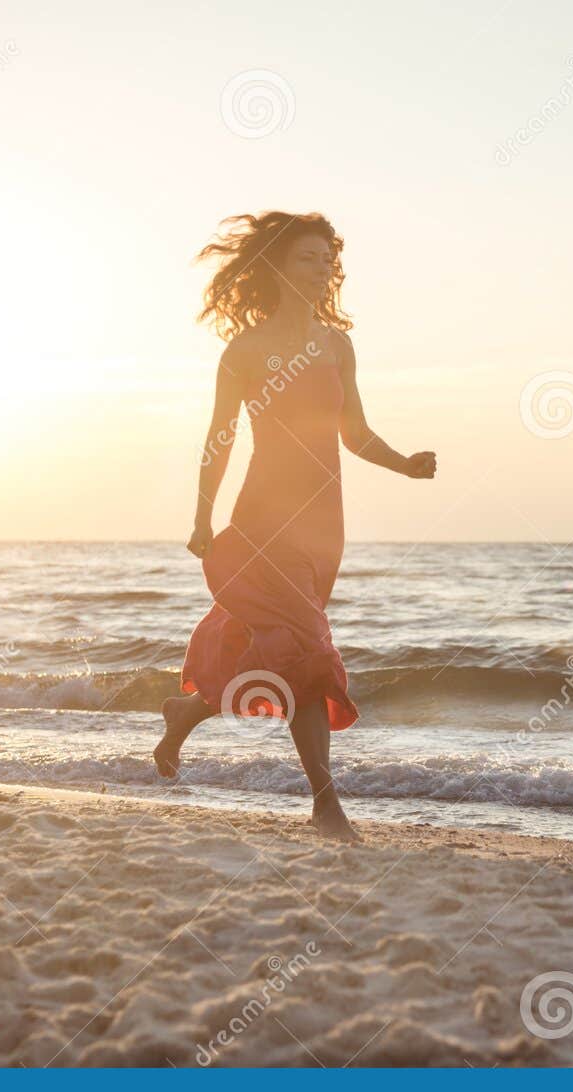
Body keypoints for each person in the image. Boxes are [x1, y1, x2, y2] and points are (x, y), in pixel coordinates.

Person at [153, 212, 437, 841]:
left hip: (323, 524)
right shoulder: (245, 350)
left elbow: (355, 434)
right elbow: (221, 438)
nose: (323, 268)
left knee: (278, 651)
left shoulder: (337, 345)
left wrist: (405, 464)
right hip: (264, 519)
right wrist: (202, 515)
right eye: (308, 257)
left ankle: (186, 712)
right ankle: (326, 805)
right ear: (277, 268)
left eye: (328, 259)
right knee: (310, 653)